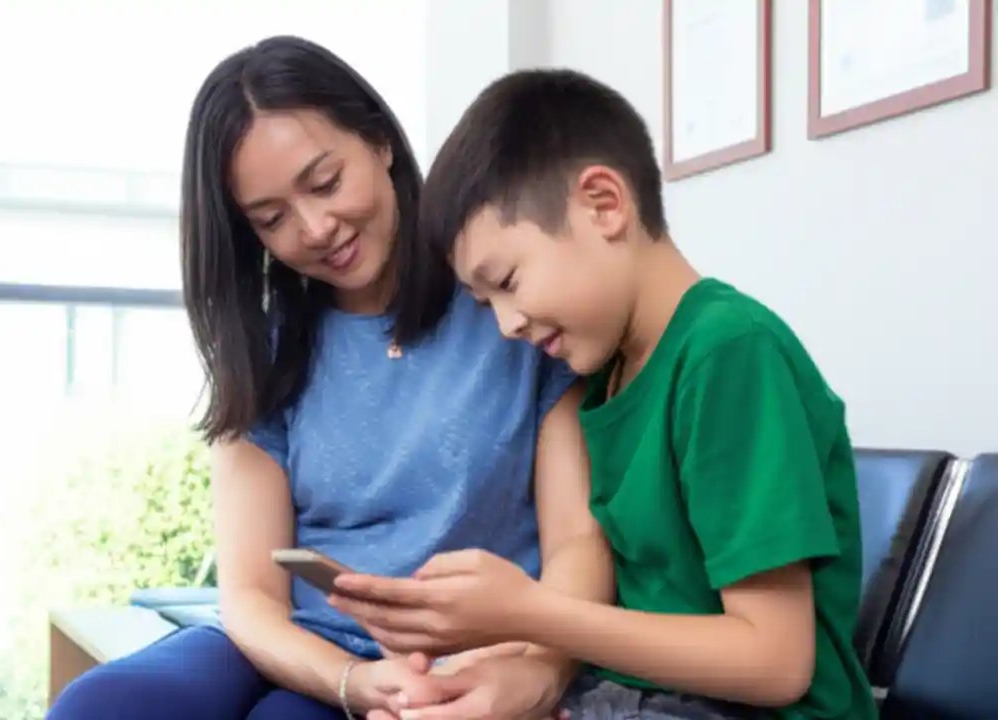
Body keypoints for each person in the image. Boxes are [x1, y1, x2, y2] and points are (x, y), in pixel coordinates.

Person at [46, 38, 612, 720]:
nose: (316, 229)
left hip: (474, 658)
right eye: (272, 219)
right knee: (99, 707)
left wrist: (542, 668)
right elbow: (251, 597)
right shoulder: (266, 348)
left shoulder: (511, 300)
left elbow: (578, 543)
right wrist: (351, 680)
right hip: (306, 650)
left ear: (379, 141)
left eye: (325, 182)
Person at [330, 68, 880, 720]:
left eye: (506, 281)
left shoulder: (728, 352)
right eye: (485, 304)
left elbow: (775, 662)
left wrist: (535, 612)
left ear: (604, 204)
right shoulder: (606, 378)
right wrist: (511, 649)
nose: (507, 325)